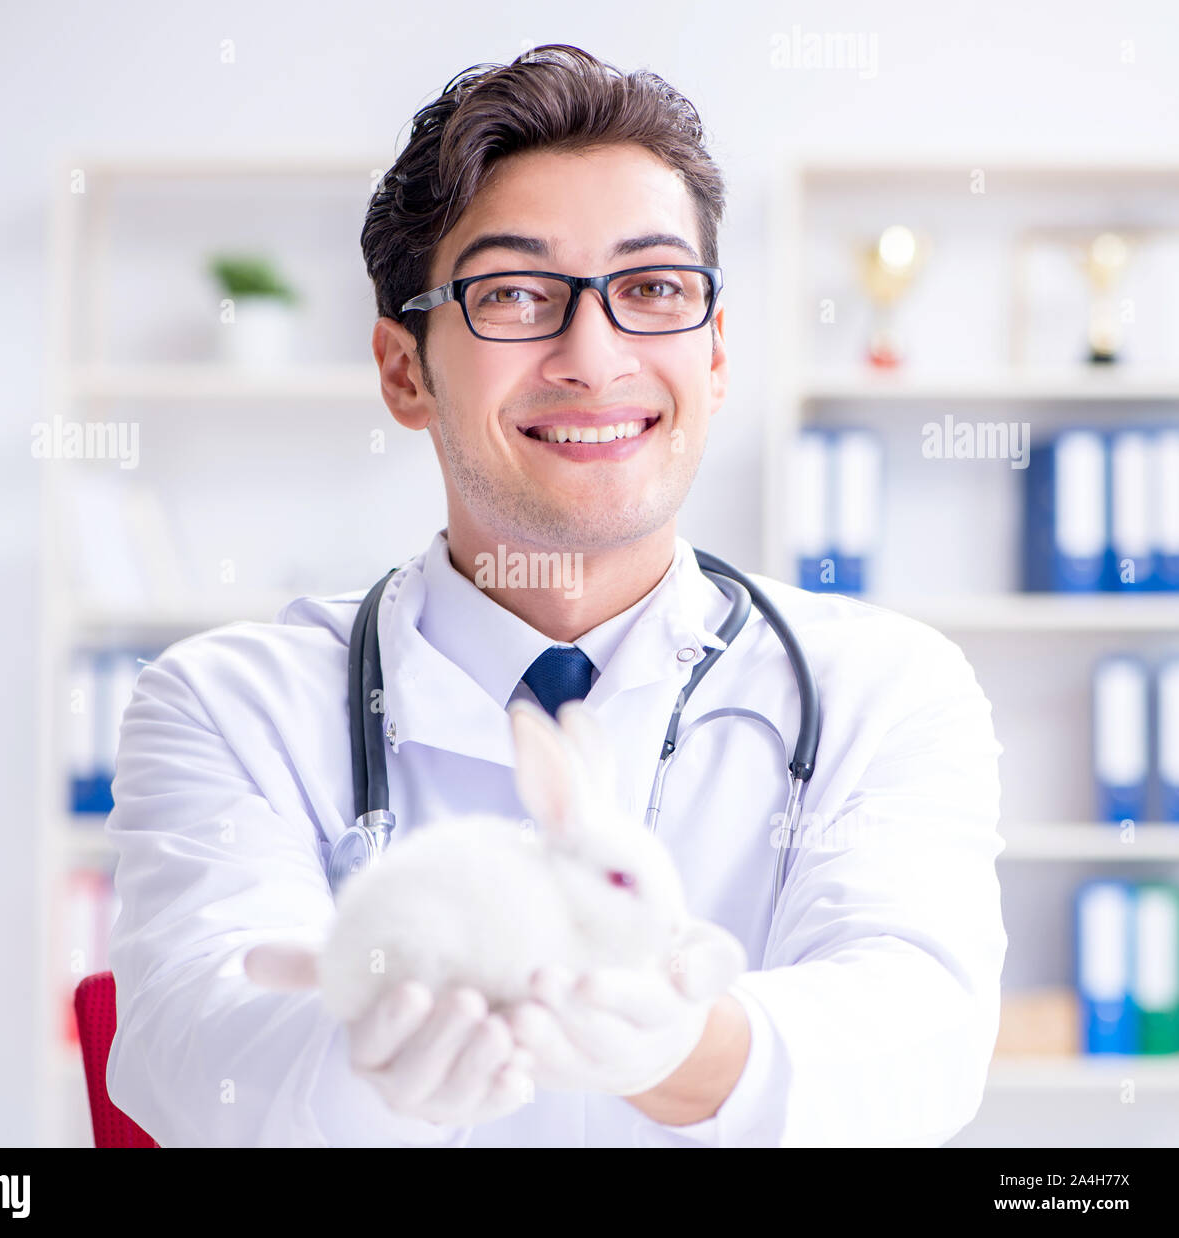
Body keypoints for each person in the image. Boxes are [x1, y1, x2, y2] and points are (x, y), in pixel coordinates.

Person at [105, 44, 1006, 1148]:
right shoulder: (225, 702)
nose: (594, 355)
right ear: (403, 369)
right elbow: (193, 1044)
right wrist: (373, 1067)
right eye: (516, 293)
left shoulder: (880, 684)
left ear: (716, 355)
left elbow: (919, 1033)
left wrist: (687, 1047)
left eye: (654, 288)